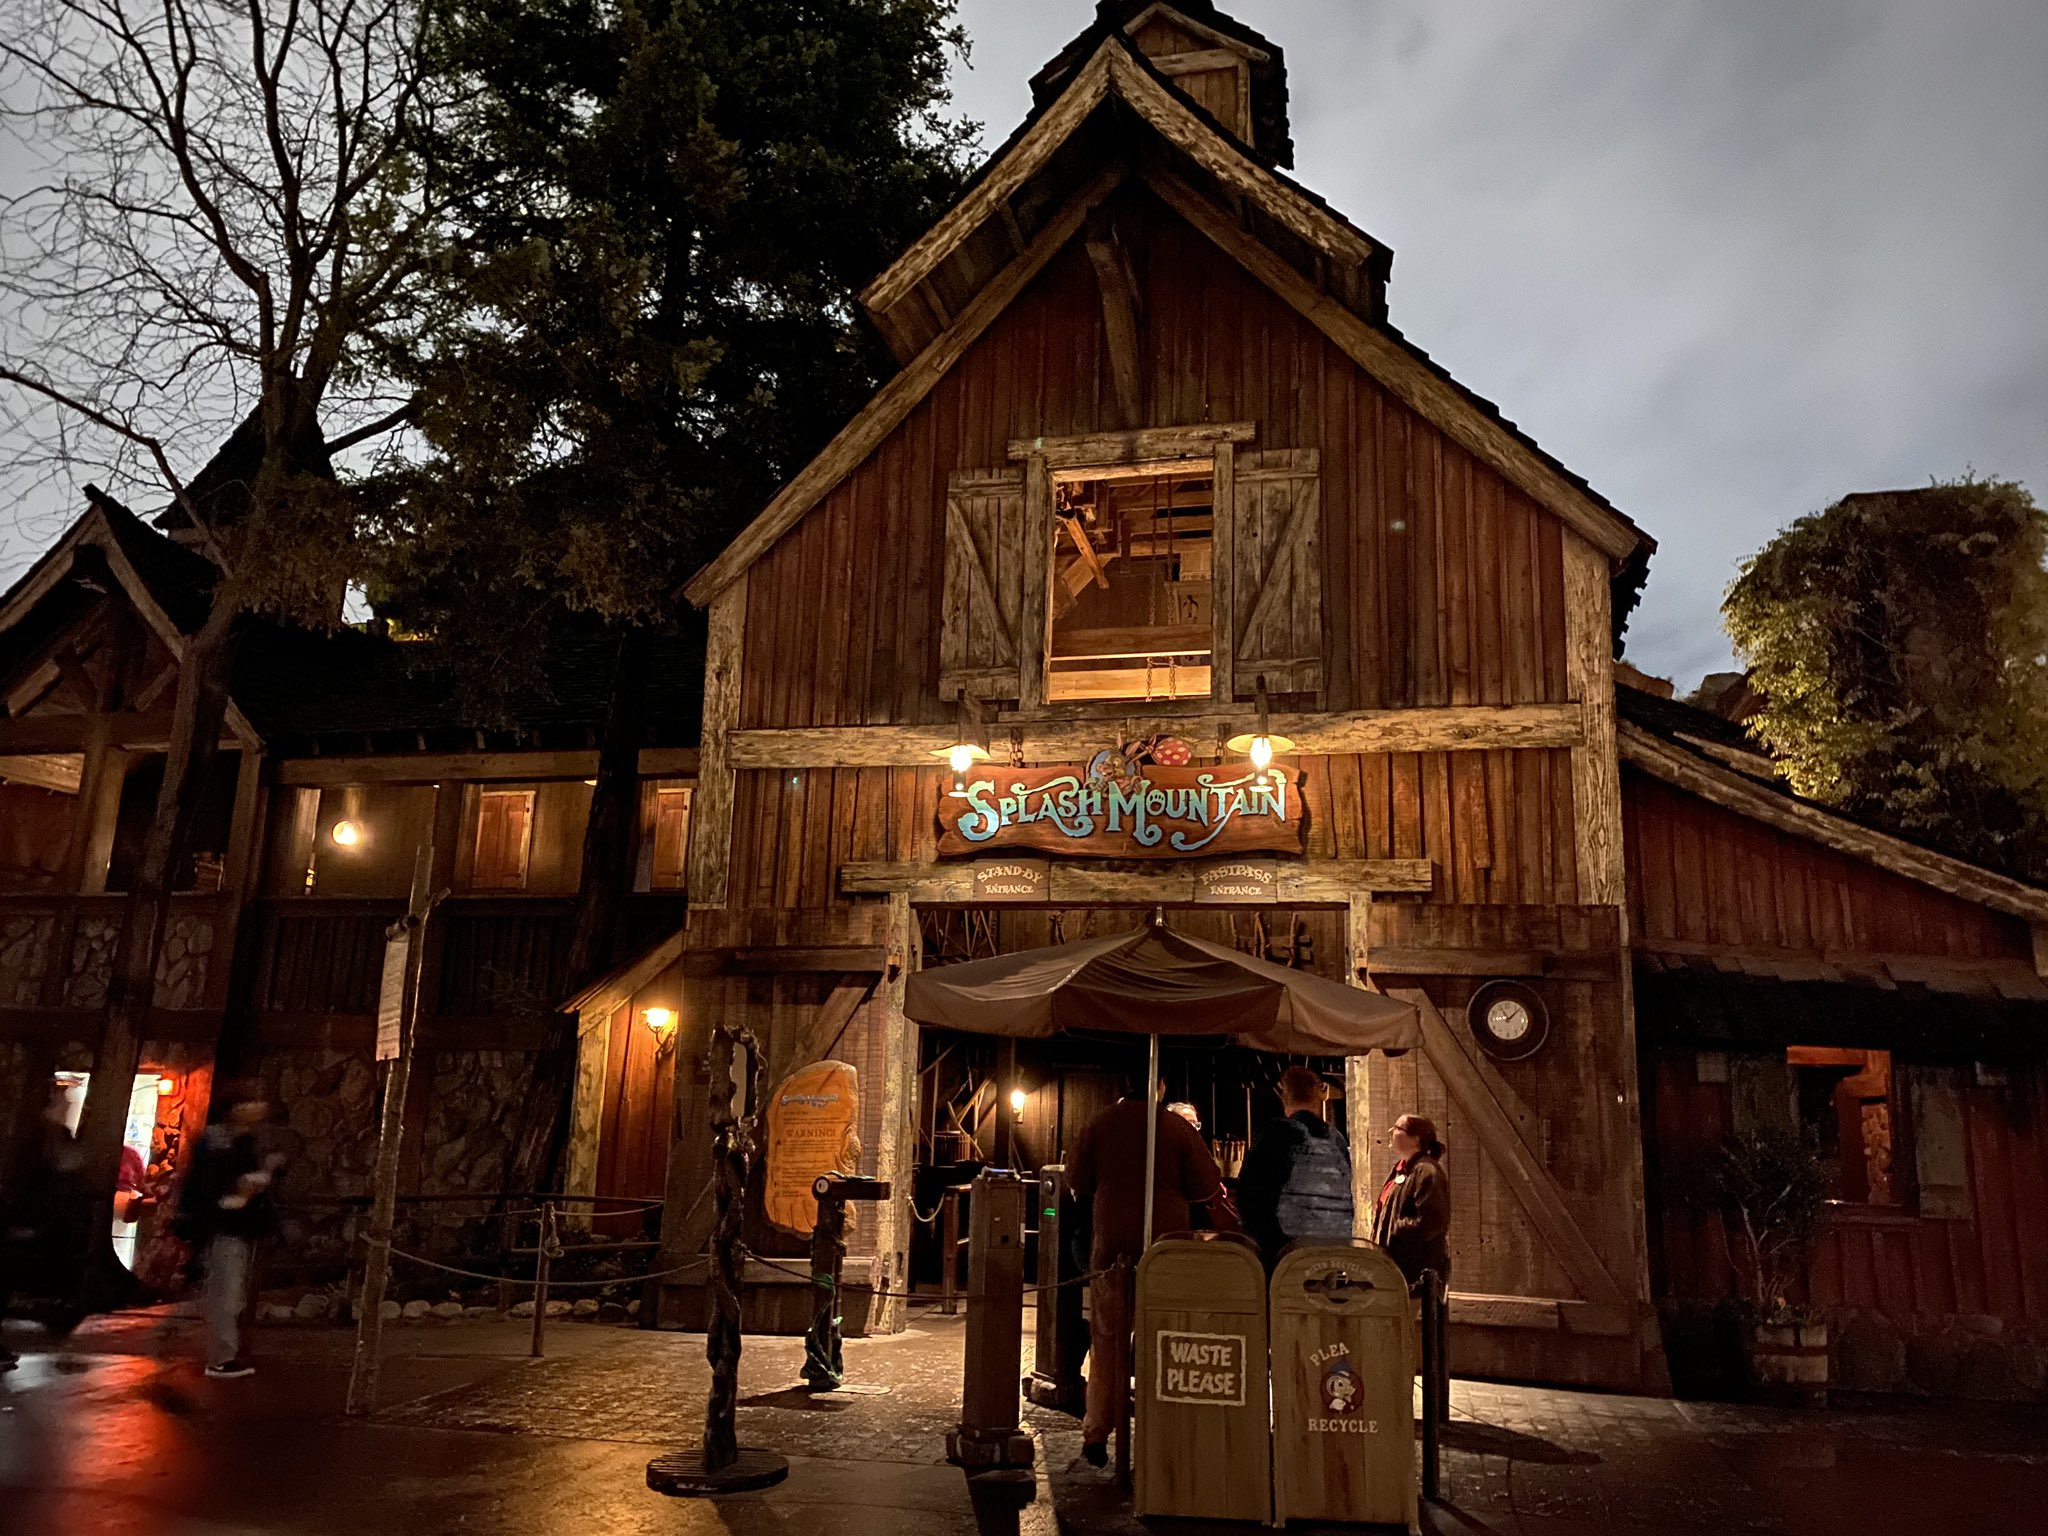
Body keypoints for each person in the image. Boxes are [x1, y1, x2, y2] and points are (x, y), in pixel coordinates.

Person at [1065, 1070, 1223, 1468]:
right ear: (1161, 1087)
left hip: (1110, 1244)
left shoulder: (1099, 1123)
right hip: (1165, 1249)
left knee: (1106, 1342)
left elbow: (1076, 1180)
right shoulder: (1176, 1128)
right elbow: (1207, 1186)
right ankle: (1160, 1426)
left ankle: (1098, 1431)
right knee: (1163, 1340)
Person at [173, 1080, 284, 1379]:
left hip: (241, 1224)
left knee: (232, 1290)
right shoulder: (218, 1141)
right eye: (249, 1102)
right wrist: (244, 1188)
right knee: (226, 1290)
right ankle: (221, 1358)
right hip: (223, 1223)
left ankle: (226, 1352)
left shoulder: (249, 1140)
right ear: (233, 1109)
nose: (257, 1107)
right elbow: (211, 1186)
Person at [1234, 1066, 1353, 1266]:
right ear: (1319, 1096)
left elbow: (1249, 1196)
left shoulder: (1277, 1133)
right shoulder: (1336, 1139)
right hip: (1334, 1248)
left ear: (1284, 1095)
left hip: (1287, 1251)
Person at [1369, 1112, 1450, 1288]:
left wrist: (1396, 1230)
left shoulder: (1426, 1171)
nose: (1392, 1131)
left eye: (1398, 1128)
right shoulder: (1402, 1170)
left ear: (1416, 1139)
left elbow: (1432, 1222)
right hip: (1395, 1266)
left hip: (1415, 1270)